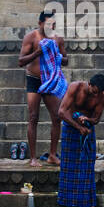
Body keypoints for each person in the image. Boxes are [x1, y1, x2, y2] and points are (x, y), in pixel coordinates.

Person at [57, 75, 104, 207]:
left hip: (86, 130)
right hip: (70, 126)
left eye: (99, 93)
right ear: (89, 84)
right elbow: (61, 112)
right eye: (94, 92)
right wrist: (78, 126)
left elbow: (96, 119)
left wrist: (87, 121)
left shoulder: (102, 96)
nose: (96, 95)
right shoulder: (75, 87)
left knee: (87, 169)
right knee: (70, 169)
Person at [18, 11, 68, 166]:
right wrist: (38, 52)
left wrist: (57, 56)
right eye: (47, 24)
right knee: (33, 117)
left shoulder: (57, 39)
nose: (50, 27)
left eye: (53, 24)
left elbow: (66, 60)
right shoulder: (31, 37)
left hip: (50, 80)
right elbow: (21, 61)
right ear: (40, 24)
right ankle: (33, 158)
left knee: (57, 116)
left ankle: (52, 155)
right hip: (34, 79)